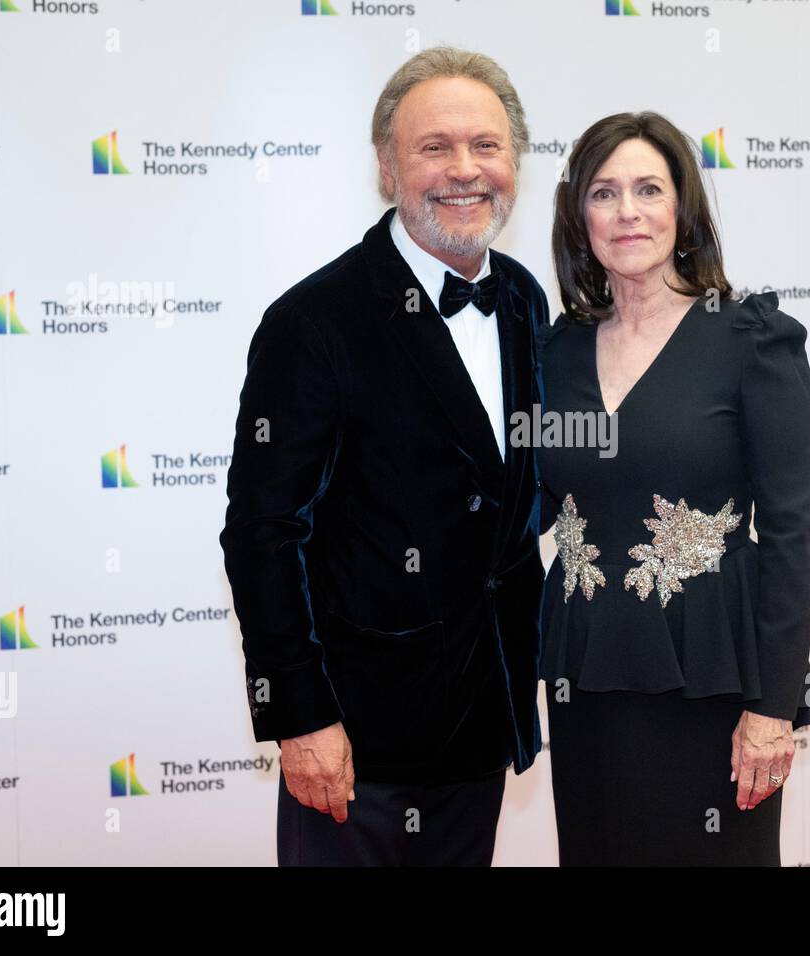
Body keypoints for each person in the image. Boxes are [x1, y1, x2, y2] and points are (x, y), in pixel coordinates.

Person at [219, 47, 549, 866]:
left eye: (486, 146)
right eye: (434, 147)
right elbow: (262, 533)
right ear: (385, 166)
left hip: (482, 724)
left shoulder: (523, 299)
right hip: (355, 744)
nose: (464, 170)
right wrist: (301, 718)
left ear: (514, 163)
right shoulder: (314, 320)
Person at [537, 111, 810, 866]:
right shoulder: (554, 354)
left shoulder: (750, 339)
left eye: (648, 189)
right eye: (603, 193)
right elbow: (523, 506)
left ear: (682, 209)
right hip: (587, 687)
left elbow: (790, 535)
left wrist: (772, 711)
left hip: (715, 688)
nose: (627, 211)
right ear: (579, 216)